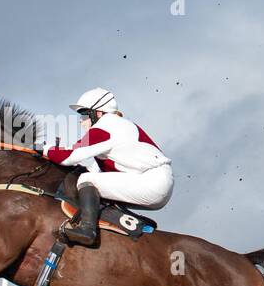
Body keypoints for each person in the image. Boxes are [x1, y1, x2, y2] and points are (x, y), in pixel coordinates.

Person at [44, 88, 174, 247]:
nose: (81, 121)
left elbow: (71, 155)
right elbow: (88, 163)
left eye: (84, 115)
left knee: (87, 179)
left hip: (151, 183)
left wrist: (44, 149)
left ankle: (87, 230)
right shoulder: (116, 125)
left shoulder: (105, 127)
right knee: (92, 181)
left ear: (97, 113)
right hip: (154, 182)